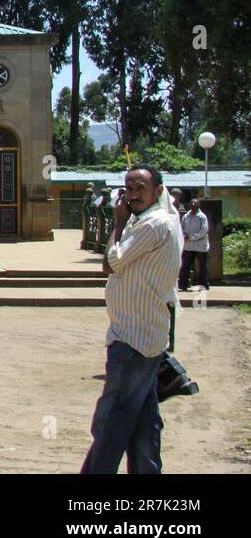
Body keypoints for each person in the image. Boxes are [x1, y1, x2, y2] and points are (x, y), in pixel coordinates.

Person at [82, 166, 183, 474]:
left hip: (132, 337)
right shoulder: (163, 220)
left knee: (112, 419)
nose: (133, 193)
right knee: (143, 420)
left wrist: (120, 220)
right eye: (128, 187)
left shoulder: (152, 224)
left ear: (157, 190)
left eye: (140, 187)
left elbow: (110, 263)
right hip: (146, 334)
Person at [178, 198, 209, 292]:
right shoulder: (186, 216)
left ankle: (203, 285)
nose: (193, 204)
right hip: (188, 246)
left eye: (195, 203)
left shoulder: (202, 216)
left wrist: (191, 237)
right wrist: (183, 235)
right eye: (192, 203)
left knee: (202, 266)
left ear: (199, 205)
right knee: (185, 266)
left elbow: (203, 231)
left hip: (200, 246)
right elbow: (181, 227)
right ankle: (183, 285)